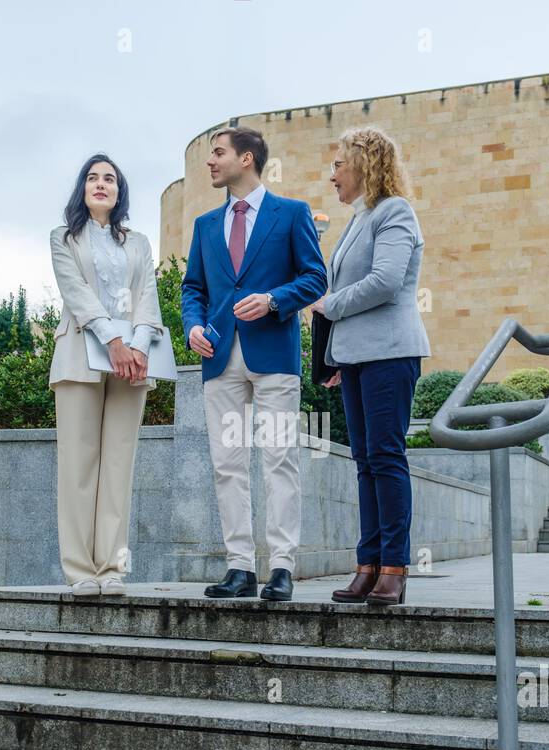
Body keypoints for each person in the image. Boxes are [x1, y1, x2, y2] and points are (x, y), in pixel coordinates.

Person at [181, 127, 327, 601]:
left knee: (279, 459)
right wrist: (192, 326)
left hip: (275, 359)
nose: (210, 162)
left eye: (218, 153)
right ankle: (240, 567)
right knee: (228, 464)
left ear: (247, 159)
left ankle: (281, 566)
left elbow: (314, 278)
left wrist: (273, 300)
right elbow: (194, 289)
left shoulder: (291, 213)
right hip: (220, 358)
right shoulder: (205, 225)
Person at [312, 126, 430, 607]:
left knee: (385, 457)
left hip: (390, 354)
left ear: (363, 164)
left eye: (339, 164)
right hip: (358, 359)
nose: (332, 174)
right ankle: (367, 563)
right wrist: (338, 354)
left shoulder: (395, 212)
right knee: (364, 463)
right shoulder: (359, 219)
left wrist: (329, 307)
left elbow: (384, 282)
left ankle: (394, 567)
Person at [48, 154, 165, 596]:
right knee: (79, 465)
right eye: (93, 178)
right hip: (80, 355)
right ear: (82, 188)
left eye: (110, 179)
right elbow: (75, 292)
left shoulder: (138, 242)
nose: (101, 184)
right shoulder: (63, 238)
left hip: (132, 361)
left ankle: (112, 568)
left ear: (120, 192)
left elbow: (147, 296)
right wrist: (113, 341)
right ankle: (80, 570)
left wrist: (137, 345)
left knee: (119, 464)